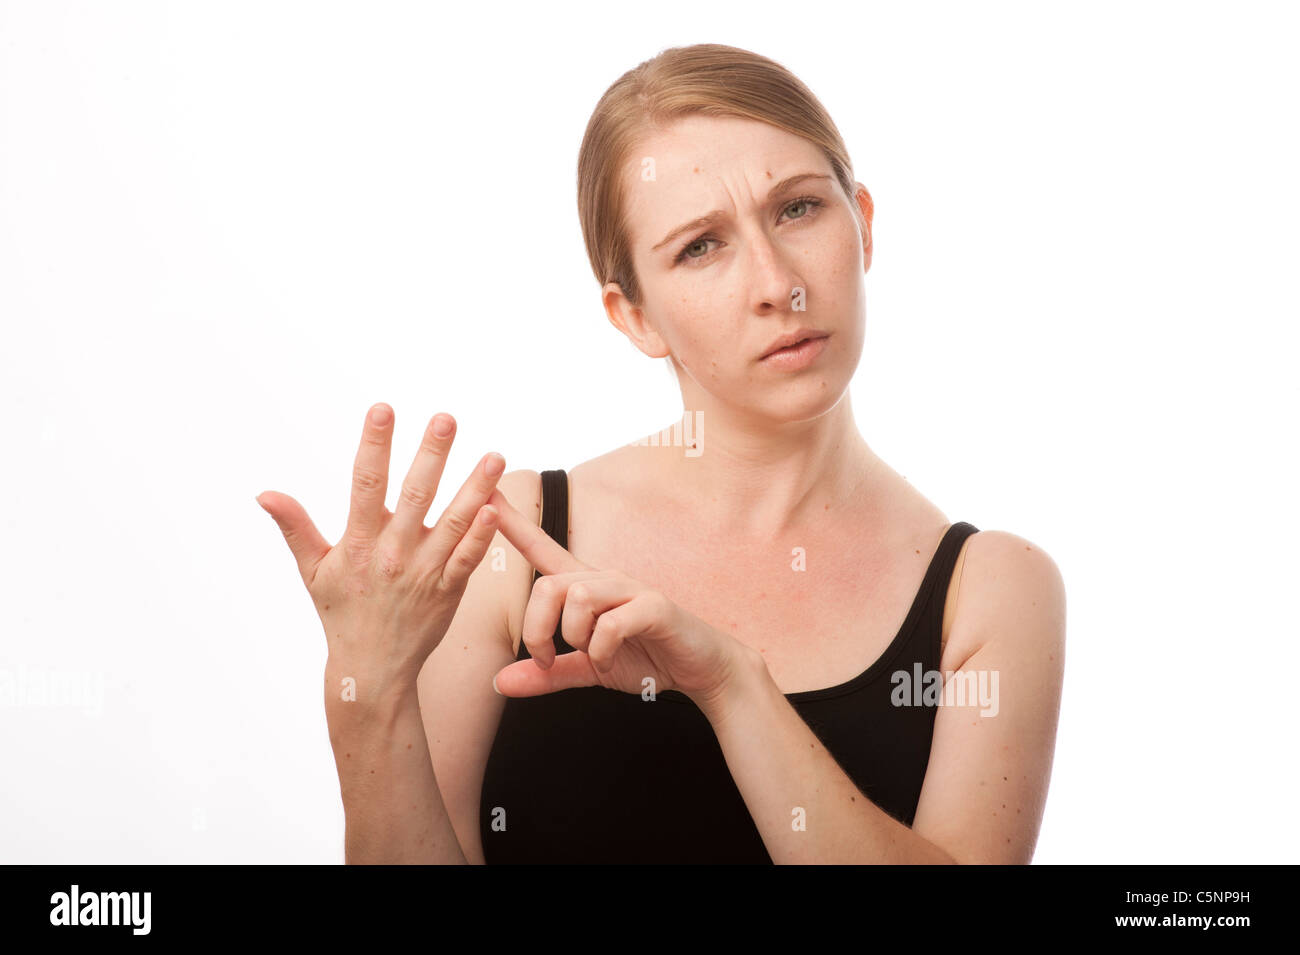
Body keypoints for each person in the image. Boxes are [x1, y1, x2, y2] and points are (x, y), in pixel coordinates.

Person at [257, 43, 1065, 864]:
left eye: (797, 209)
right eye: (700, 247)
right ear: (633, 315)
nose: (776, 283)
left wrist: (732, 685)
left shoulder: (993, 589)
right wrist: (370, 696)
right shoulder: (509, 542)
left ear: (862, 223)